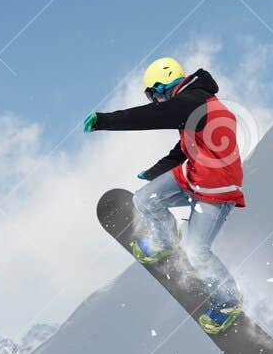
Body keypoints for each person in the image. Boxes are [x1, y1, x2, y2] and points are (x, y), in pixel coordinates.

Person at [83, 57, 246, 333]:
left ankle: (228, 302)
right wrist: (154, 172)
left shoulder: (192, 102)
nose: (153, 102)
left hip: (216, 191)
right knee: (144, 199)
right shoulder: (193, 105)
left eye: (152, 96)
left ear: (161, 87)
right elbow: (183, 150)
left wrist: (104, 121)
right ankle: (165, 240)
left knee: (196, 251)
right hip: (195, 175)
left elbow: (146, 117)